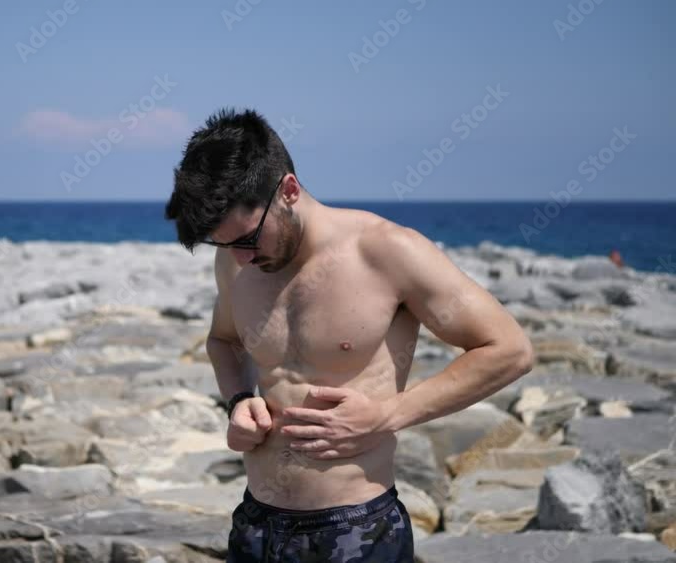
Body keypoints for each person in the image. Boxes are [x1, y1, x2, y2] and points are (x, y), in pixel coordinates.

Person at [164, 109, 533, 562]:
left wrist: (388, 415)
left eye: (246, 239)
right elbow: (224, 340)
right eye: (225, 246)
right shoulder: (237, 262)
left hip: (357, 531)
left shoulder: (387, 251)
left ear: (289, 191)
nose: (240, 258)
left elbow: (509, 349)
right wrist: (238, 400)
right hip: (257, 527)